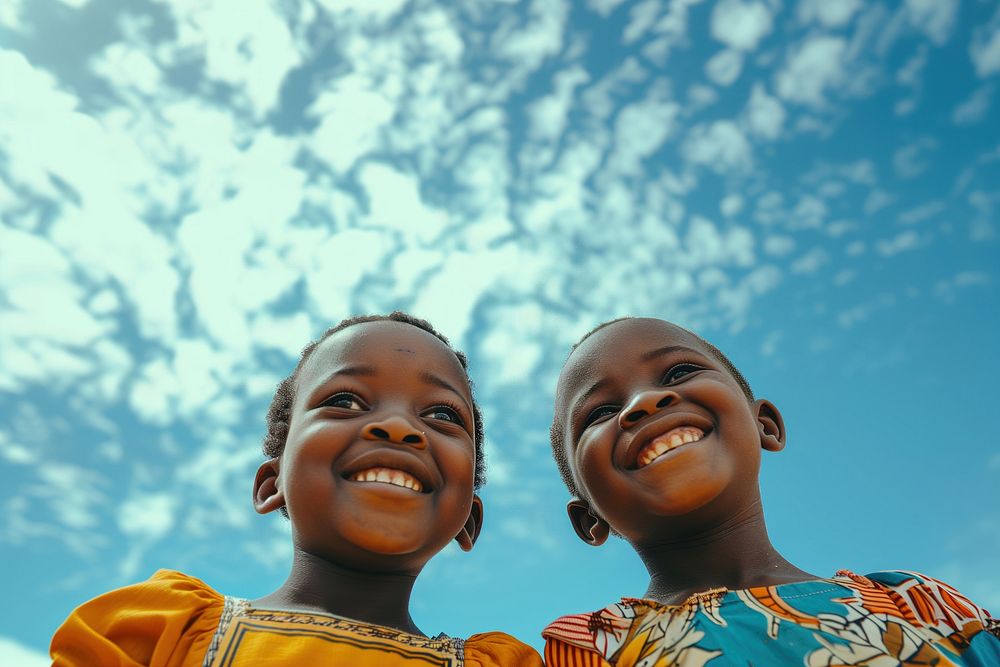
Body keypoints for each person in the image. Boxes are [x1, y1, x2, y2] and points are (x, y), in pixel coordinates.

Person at [52, 311, 542, 666]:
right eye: (346, 401)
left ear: (470, 519)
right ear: (272, 484)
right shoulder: (159, 634)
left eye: (440, 415)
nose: (398, 427)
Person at [542, 316, 1000, 666]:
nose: (644, 402)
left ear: (766, 425)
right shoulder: (590, 646)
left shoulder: (920, 602)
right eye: (599, 412)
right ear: (589, 519)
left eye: (678, 372)